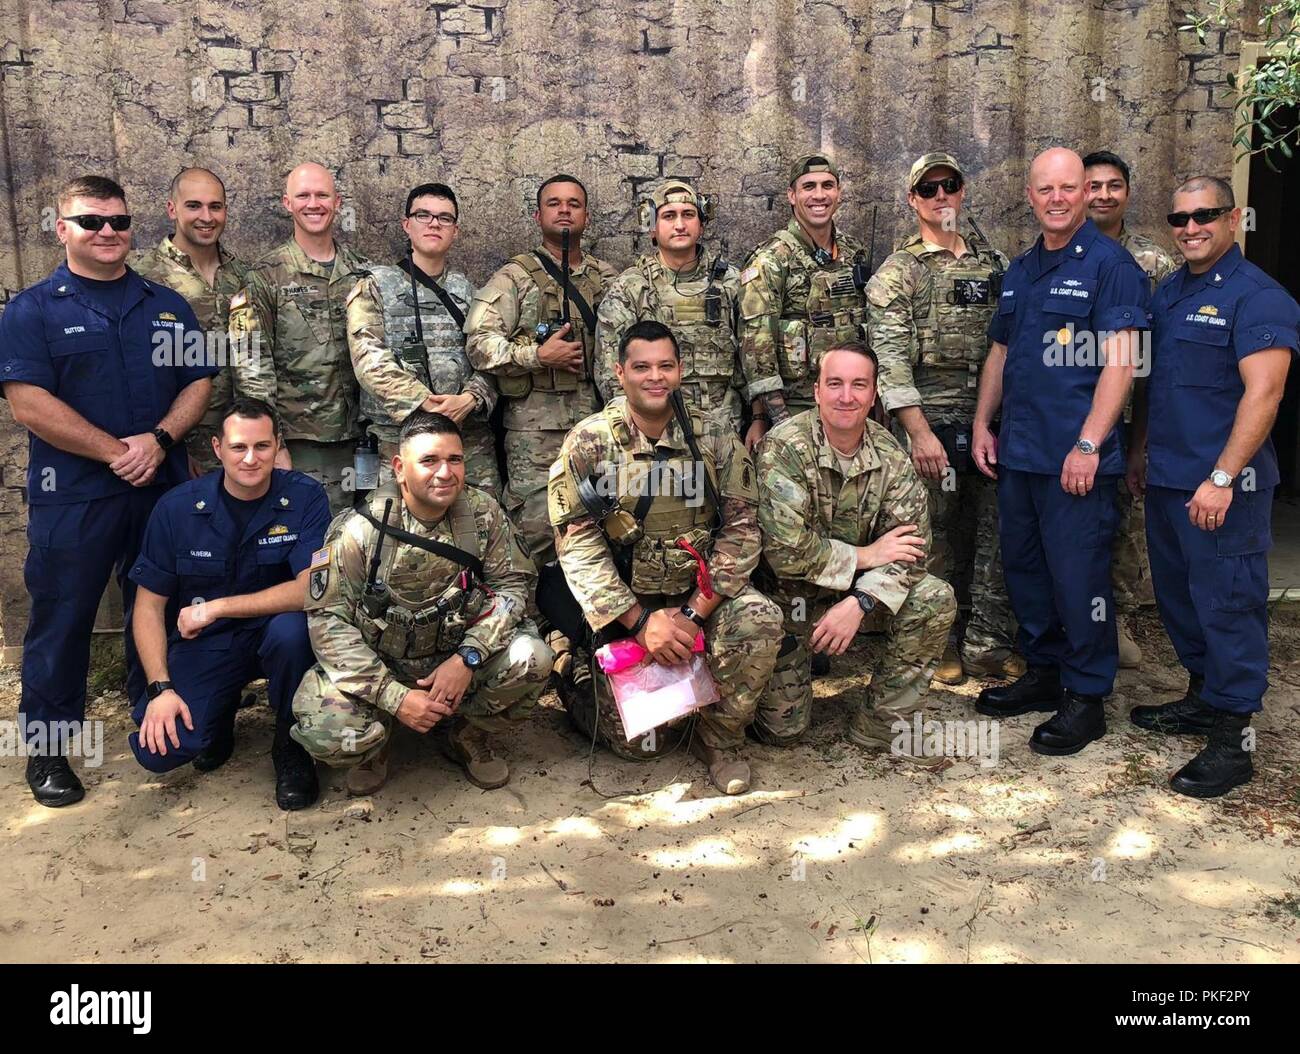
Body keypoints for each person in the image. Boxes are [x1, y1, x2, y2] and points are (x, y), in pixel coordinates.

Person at [0, 175, 214, 807]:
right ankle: (48, 749)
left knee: (157, 607)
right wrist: (117, 451)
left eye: (119, 222)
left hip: (161, 486)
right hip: (74, 496)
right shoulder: (32, 310)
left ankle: (155, 715)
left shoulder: (166, 306)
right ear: (61, 228)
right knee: (61, 619)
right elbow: (27, 404)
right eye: (91, 222)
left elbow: (197, 382)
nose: (108, 233)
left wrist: (160, 439)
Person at [548, 321, 782, 794]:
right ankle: (572, 671)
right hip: (627, 606)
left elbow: (741, 532)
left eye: (665, 366)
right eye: (642, 367)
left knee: (760, 617)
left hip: (697, 597)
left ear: (680, 371)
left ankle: (718, 738)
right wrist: (639, 623)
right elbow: (578, 545)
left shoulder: (714, 439)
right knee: (637, 747)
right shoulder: (589, 442)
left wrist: (695, 613)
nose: (655, 377)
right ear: (619, 372)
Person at [972, 148, 1149, 755]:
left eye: (1068, 188)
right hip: (1020, 453)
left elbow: (1122, 364)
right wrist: (981, 424)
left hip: (1076, 459)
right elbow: (1000, 352)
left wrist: (1088, 443)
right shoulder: (1021, 269)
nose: (1057, 198)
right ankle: (1045, 672)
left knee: (1080, 580)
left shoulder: (1111, 267)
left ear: (1083, 195)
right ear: (1031, 194)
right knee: (1027, 571)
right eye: (1045, 188)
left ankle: (1086, 696)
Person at [1127, 175, 1298, 797]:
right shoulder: (1171, 292)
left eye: (1205, 215)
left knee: (1229, 605)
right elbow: (1159, 384)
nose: (1191, 228)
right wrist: (1141, 448)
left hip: (1225, 486)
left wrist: (1223, 477)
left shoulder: (1259, 297)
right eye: (1179, 219)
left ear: (1234, 218)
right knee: (1180, 599)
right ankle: (1202, 698)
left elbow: (1266, 392)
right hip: (1171, 481)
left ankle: (1233, 741)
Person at [291, 411, 552, 795]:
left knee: (533, 657)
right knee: (326, 729)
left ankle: (465, 733)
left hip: (455, 658)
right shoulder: (358, 530)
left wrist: (469, 658)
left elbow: (512, 589)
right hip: (383, 665)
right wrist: (394, 697)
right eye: (429, 461)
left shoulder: (483, 513)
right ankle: (375, 745)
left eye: (455, 460)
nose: (445, 473)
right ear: (399, 468)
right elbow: (328, 624)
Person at [754, 342, 956, 754]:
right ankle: (796, 672)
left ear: (874, 392)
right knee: (783, 732)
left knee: (934, 597)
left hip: (856, 597)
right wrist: (865, 556)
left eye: (858, 385)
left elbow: (913, 546)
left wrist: (860, 601)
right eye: (835, 384)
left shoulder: (890, 454)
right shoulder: (784, 448)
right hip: (790, 602)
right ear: (816, 391)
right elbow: (785, 551)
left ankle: (881, 722)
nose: (846, 396)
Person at [866, 152, 1022, 687]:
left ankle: (988, 644)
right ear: (913, 199)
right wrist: (919, 433)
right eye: (928, 189)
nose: (940, 197)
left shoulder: (996, 265)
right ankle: (941, 642)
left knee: (995, 534)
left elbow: (1011, 345)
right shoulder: (898, 272)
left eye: (948, 186)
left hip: (990, 421)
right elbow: (888, 360)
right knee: (931, 540)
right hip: (928, 421)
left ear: (961, 191)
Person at [127, 399, 328, 810]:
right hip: (209, 642)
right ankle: (218, 716)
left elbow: (313, 589)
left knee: (295, 632)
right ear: (218, 449)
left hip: (274, 633)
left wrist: (218, 607)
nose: (251, 459)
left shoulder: (305, 497)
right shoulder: (177, 508)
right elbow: (147, 607)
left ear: (277, 446)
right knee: (160, 752)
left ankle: (291, 748)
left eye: (262, 447)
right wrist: (161, 688)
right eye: (239, 448)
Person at [464, 173, 618, 567]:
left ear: (585, 215)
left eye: (574, 203)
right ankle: (536, 620)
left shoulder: (610, 280)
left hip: (597, 429)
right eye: (554, 203)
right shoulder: (513, 278)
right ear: (537, 215)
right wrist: (537, 356)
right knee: (535, 531)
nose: (564, 210)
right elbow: (478, 345)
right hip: (535, 436)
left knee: (603, 524)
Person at [1084, 149, 1180, 669]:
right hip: (1073, 414)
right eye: (1093, 185)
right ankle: (1069, 621)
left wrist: (1142, 437)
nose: (1102, 195)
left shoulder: (1154, 263)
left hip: (1129, 415)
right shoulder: (1057, 253)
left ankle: (1114, 621)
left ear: (1127, 192)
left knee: (1123, 524)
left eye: (1113, 185)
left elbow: (1159, 356)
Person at [229, 162, 369, 514]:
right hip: (302, 441)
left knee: (365, 535)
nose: (314, 203)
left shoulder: (363, 272)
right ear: (287, 203)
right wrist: (271, 443)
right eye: (303, 195)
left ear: (337, 202)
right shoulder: (264, 277)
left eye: (322, 195)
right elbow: (251, 368)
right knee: (313, 539)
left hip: (365, 437)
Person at [347, 181, 499, 490]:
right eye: (423, 215)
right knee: (393, 529)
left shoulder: (469, 292)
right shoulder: (375, 286)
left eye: (444, 218)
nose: (434, 223)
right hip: (398, 439)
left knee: (482, 526)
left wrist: (470, 399)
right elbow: (368, 359)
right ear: (406, 224)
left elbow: (492, 358)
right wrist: (424, 402)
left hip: (466, 441)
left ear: (455, 230)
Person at [739, 154, 867, 449]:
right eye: (808, 187)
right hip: (796, 408)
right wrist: (779, 421)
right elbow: (757, 349)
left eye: (828, 186)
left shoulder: (854, 253)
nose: (819, 195)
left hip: (850, 404)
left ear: (839, 193)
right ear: (792, 196)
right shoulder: (771, 260)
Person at [595, 180, 743, 433]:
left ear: (702, 224)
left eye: (688, 215)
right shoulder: (631, 288)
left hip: (722, 431)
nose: (680, 225)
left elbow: (752, 358)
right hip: (655, 432)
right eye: (668, 216)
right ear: (652, 229)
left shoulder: (731, 283)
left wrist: (759, 418)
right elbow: (611, 372)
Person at [131, 167, 251, 475]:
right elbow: (138, 375)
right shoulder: (142, 279)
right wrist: (170, 445)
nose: (206, 217)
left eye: (216, 206)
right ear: (172, 208)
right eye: (194, 206)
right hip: (176, 447)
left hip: (243, 442)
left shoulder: (245, 276)